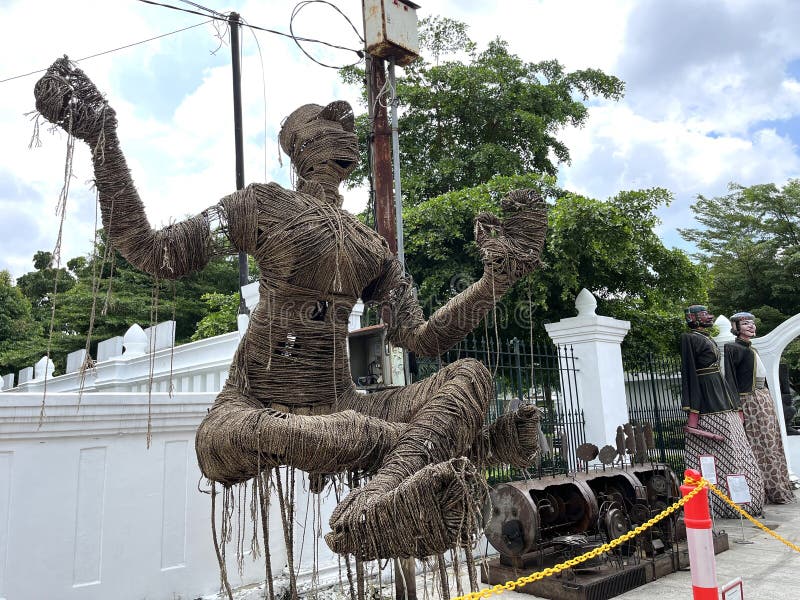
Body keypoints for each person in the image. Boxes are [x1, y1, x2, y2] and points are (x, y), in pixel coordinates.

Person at [33, 58, 546, 562]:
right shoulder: (261, 206)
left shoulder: (371, 246)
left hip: (343, 402)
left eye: (348, 131)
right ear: (301, 146)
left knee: (469, 378)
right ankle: (459, 455)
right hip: (251, 410)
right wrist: (103, 140)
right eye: (328, 126)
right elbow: (152, 250)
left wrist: (495, 281)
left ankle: (373, 507)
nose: (346, 138)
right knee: (358, 434)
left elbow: (424, 338)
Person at [680, 305, 765, 517]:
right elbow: (689, 371)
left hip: (720, 391)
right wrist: (693, 409)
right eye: (704, 314)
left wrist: (735, 405)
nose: (709, 316)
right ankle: (718, 504)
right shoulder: (690, 338)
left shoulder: (705, 338)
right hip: (708, 395)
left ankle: (745, 499)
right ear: (694, 318)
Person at [724, 312, 794, 504]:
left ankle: (779, 487)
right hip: (749, 400)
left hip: (763, 398)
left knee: (772, 441)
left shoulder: (751, 349)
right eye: (745, 323)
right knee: (759, 443)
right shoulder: (732, 348)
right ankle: (762, 489)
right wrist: (736, 407)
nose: (751, 326)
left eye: (752, 323)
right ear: (736, 327)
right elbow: (730, 380)